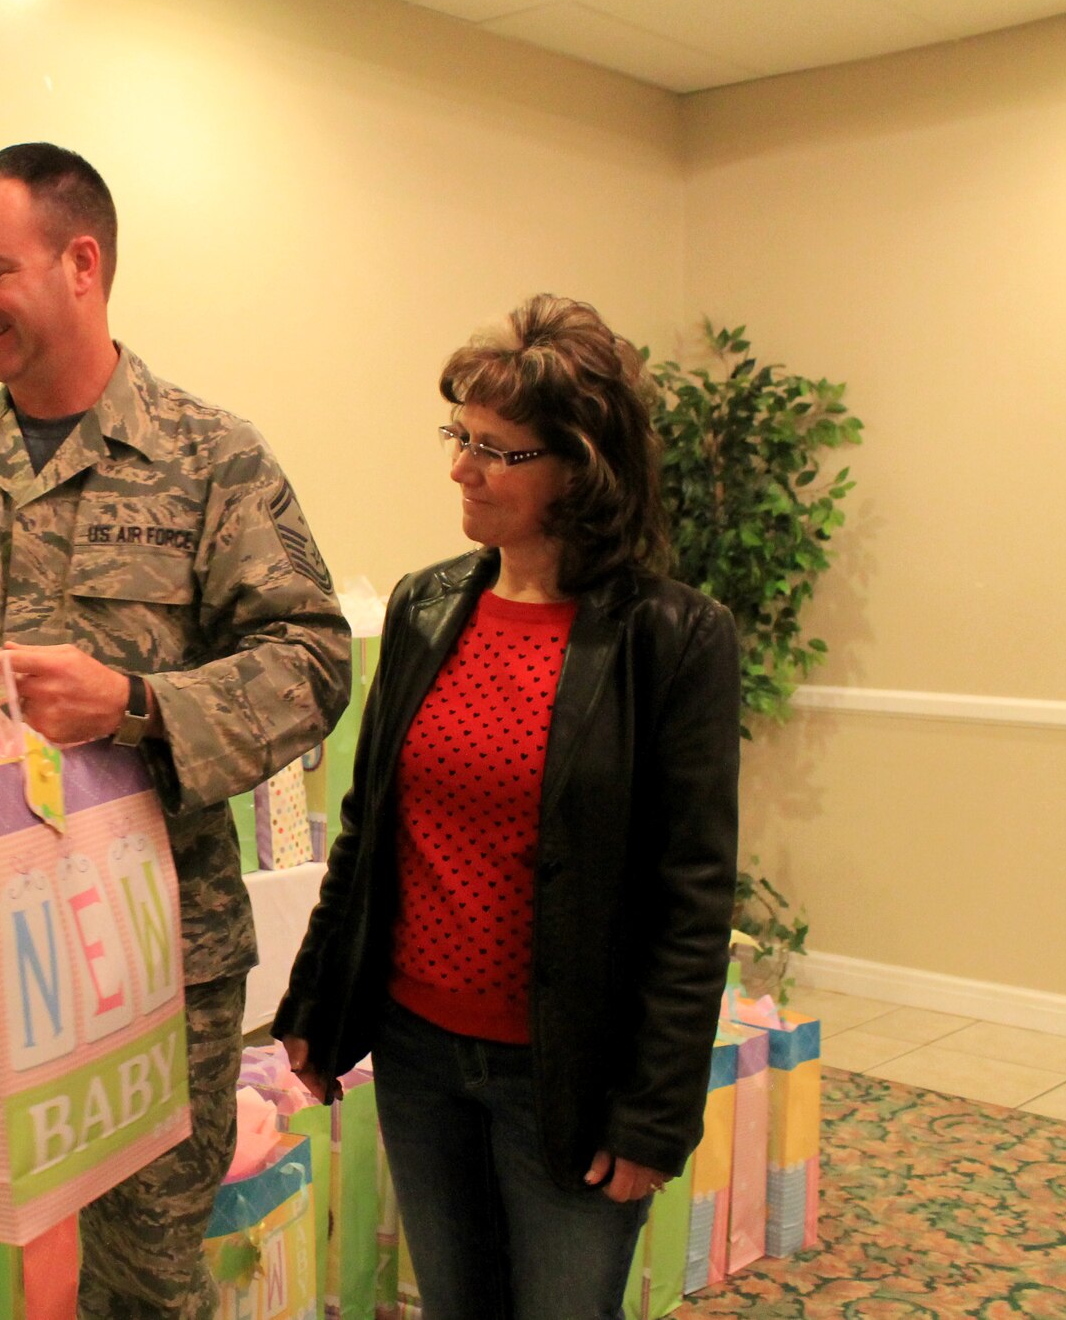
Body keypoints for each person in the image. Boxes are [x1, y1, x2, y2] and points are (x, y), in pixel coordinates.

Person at [0, 142, 351, 1317]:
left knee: (146, 1290)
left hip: (147, 961)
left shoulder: (213, 463)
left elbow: (312, 662)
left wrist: (137, 704)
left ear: (82, 263)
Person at [273, 295, 741, 1320]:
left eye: (496, 450)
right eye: (458, 437)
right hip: (417, 1053)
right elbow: (367, 829)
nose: (460, 467)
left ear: (579, 469)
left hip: (568, 1069)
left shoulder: (671, 639)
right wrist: (313, 1005)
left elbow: (689, 898)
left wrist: (653, 1109)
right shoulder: (424, 604)